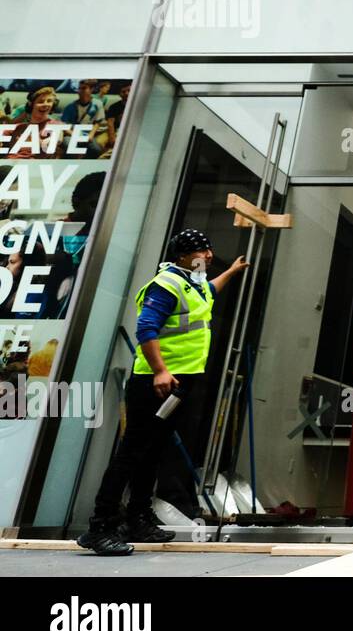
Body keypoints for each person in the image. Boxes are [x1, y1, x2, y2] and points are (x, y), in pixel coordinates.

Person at [77, 228, 249, 556]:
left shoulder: (193, 283)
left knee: (153, 450)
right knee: (132, 451)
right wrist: (160, 370)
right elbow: (146, 328)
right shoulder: (166, 285)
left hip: (177, 383)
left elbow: (210, 291)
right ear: (182, 256)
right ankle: (99, 526)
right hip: (154, 383)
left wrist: (232, 271)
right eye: (200, 250)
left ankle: (138, 517)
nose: (209, 255)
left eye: (209, 248)